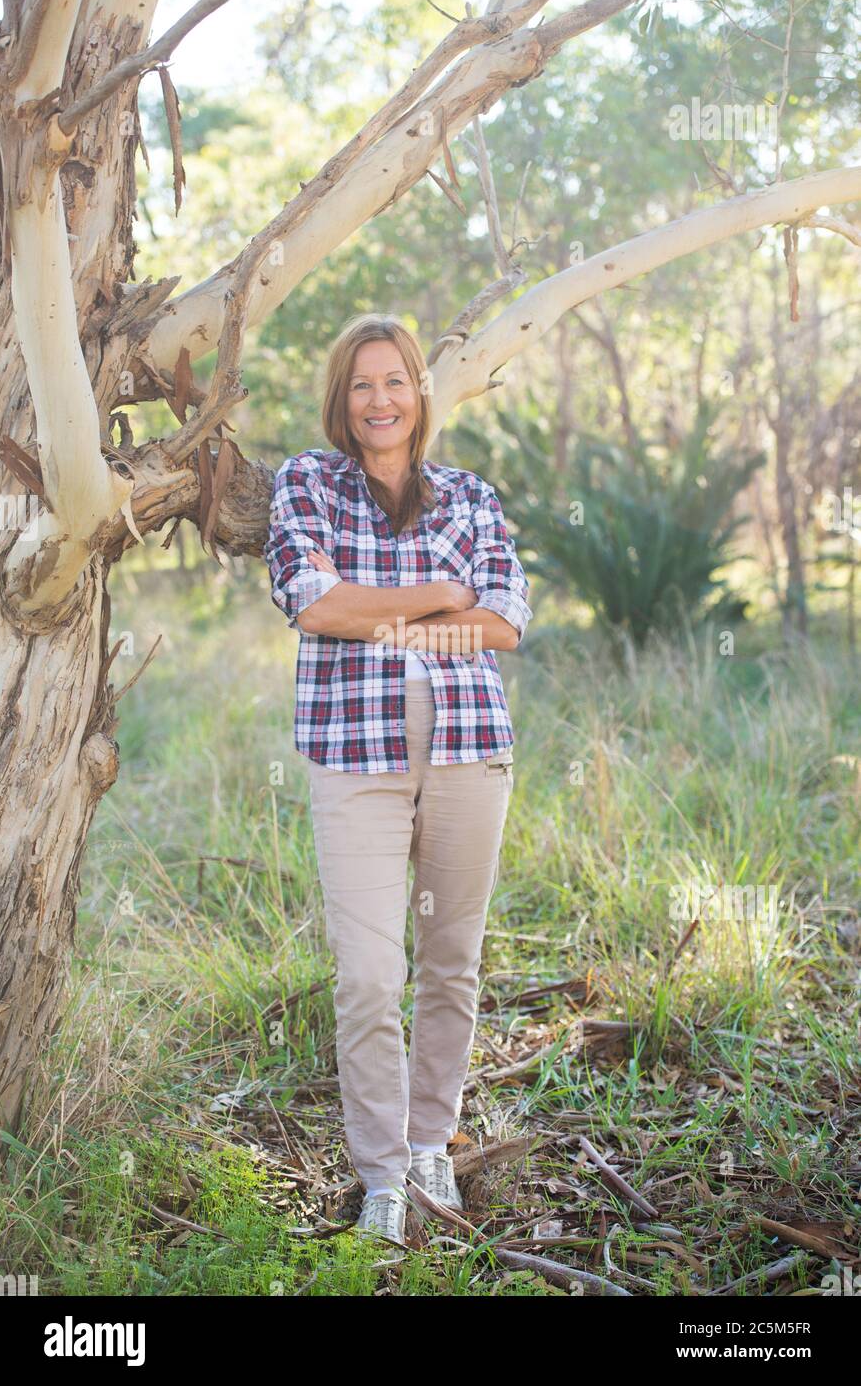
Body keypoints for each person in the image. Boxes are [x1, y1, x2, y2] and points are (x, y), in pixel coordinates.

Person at [263, 312, 533, 1250]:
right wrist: (435, 595)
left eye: (395, 381)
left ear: (421, 392)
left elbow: (502, 622)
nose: (379, 401)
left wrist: (399, 624)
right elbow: (314, 602)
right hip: (355, 754)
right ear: (342, 400)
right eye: (361, 385)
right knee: (372, 974)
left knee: (450, 959)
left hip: (467, 746)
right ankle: (379, 1175)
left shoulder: (468, 493)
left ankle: (428, 1143)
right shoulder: (307, 481)